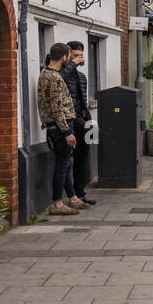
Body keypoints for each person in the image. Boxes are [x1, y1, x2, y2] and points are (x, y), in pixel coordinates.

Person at [37, 43, 79, 216]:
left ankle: (72, 198)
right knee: (62, 165)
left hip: (56, 126)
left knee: (66, 163)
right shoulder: (53, 77)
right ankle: (57, 203)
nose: (68, 59)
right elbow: (56, 107)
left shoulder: (45, 74)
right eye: (68, 56)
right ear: (64, 57)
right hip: (61, 127)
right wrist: (67, 131)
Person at [60, 41, 95, 208]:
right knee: (65, 159)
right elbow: (59, 79)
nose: (78, 59)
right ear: (67, 57)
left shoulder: (82, 77)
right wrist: (72, 65)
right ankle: (70, 195)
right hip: (68, 119)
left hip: (80, 117)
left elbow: (83, 101)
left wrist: (88, 117)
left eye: (80, 55)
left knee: (84, 153)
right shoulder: (62, 72)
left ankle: (80, 192)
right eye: (75, 56)